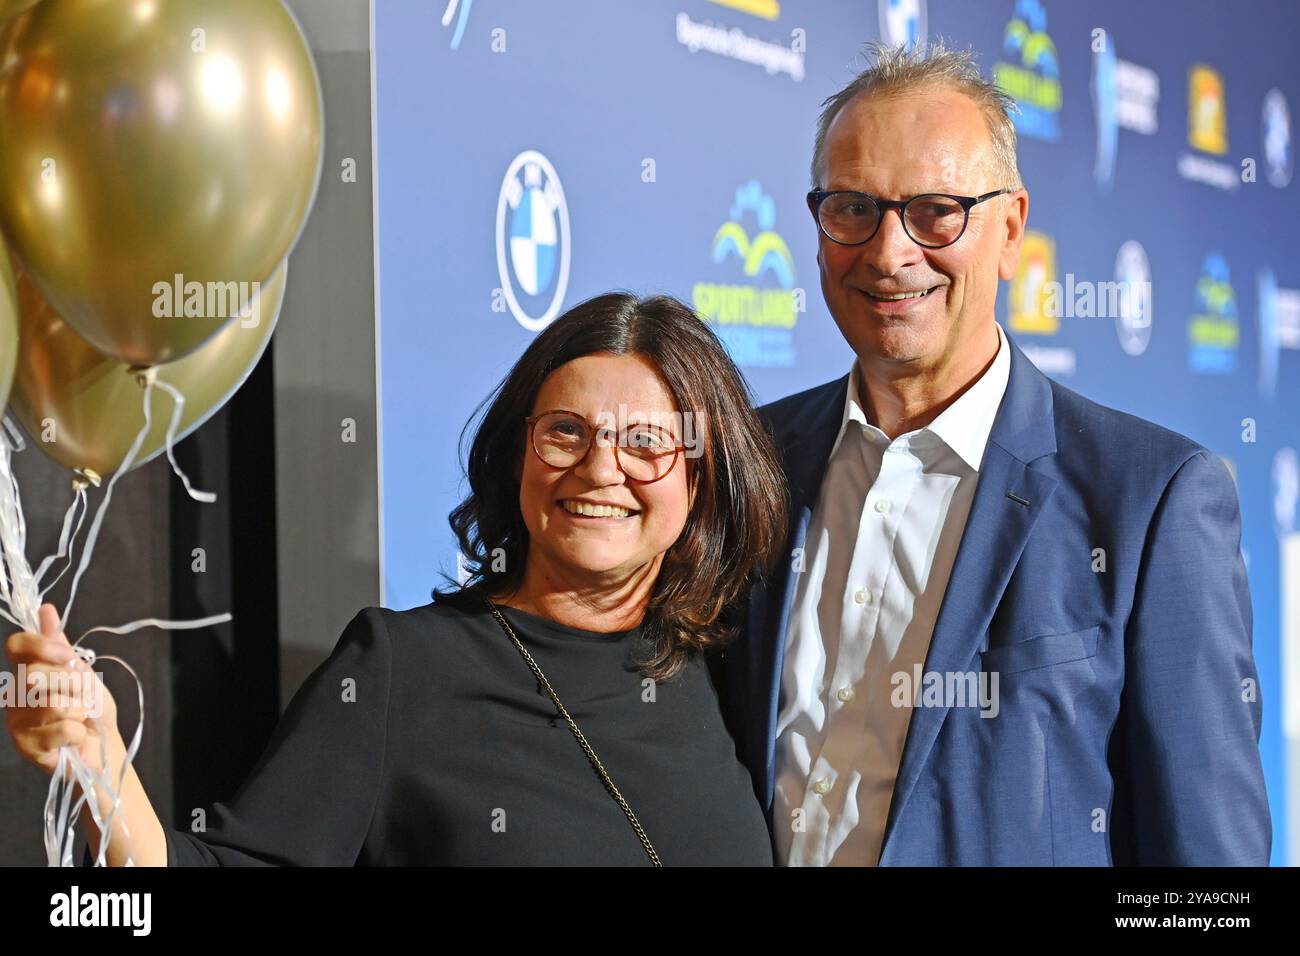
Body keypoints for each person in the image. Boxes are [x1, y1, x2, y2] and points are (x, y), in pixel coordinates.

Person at [711, 41, 1271, 866]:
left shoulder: (1154, 502)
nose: (889, 252)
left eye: (937, 210)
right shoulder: (746, 463)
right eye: (852, 208)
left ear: (1010, 230)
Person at [5, 291, 788, 866]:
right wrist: (99, 762)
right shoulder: (401, 669)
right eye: (566, 431)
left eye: (646, 441)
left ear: (701, 478)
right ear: (519, 453)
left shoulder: (728, 665)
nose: (600, 467)